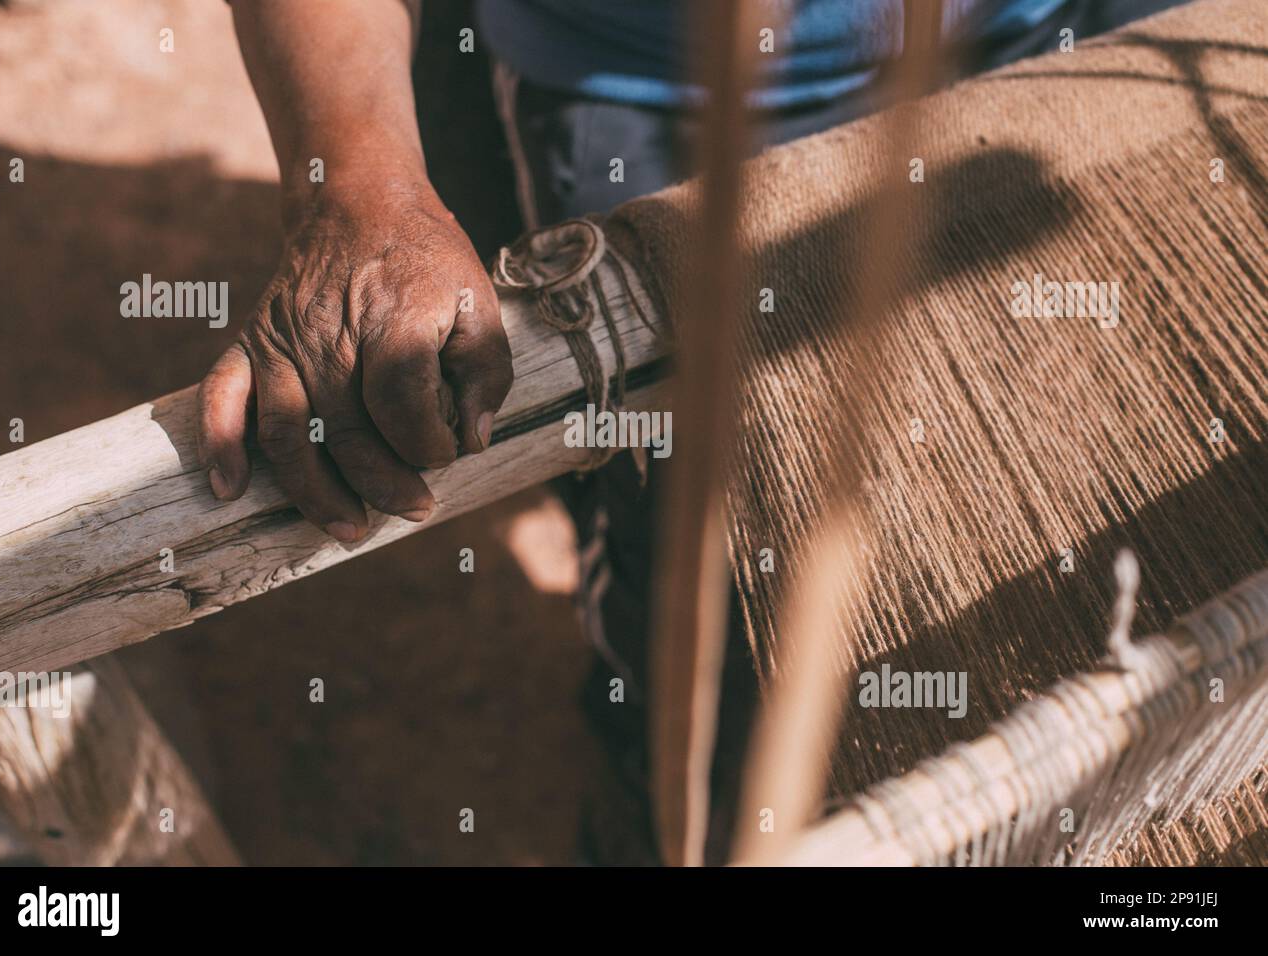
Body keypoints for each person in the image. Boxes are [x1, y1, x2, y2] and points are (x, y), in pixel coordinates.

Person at [200, 0, 1189, 862]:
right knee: (711, 608)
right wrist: (357, 193)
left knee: (1065, 513)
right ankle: (659, 809)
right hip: (650, 93)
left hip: (1052, 47)